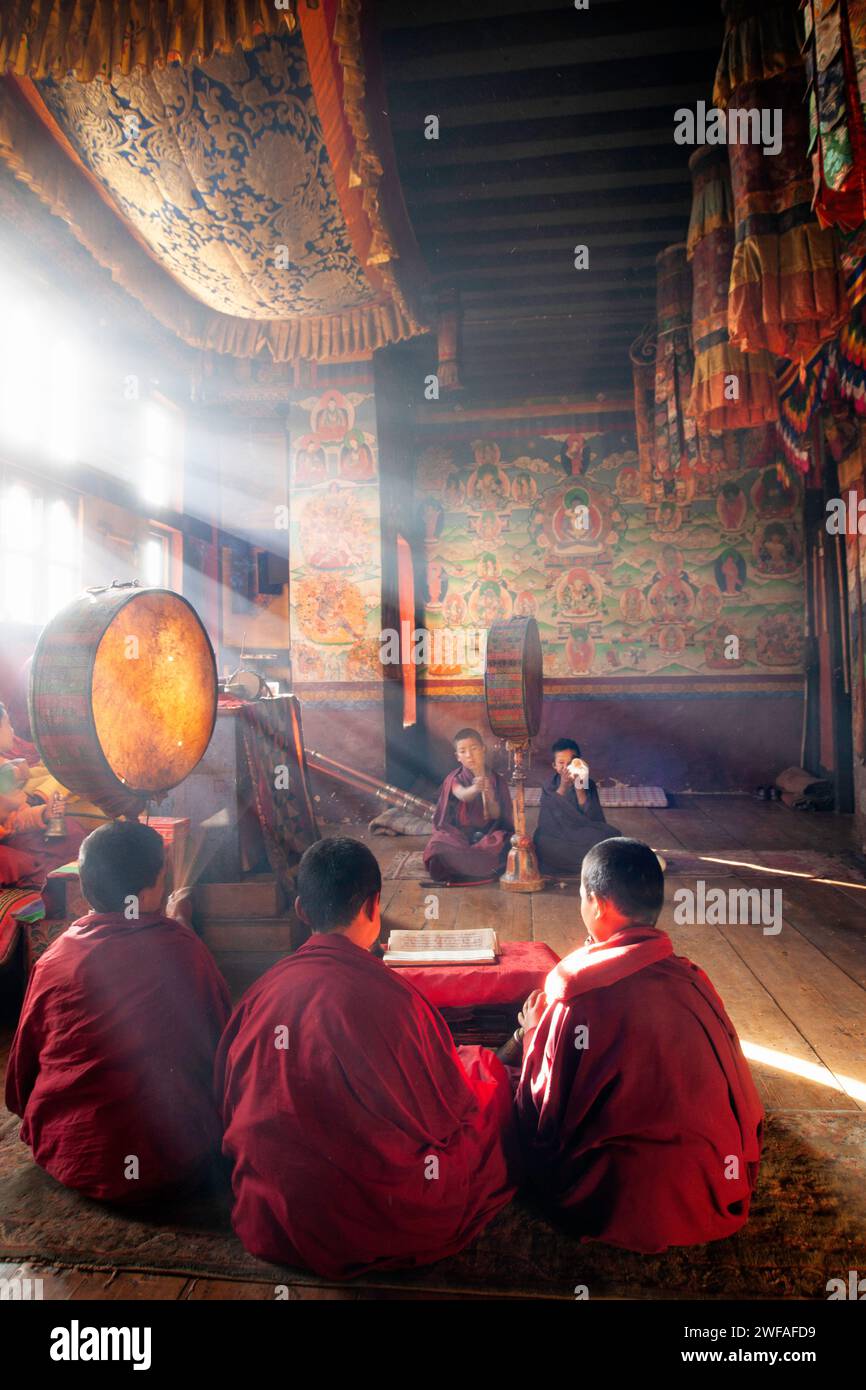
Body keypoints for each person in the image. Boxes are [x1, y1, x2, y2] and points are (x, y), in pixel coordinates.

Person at [216, 837, 517, 1279]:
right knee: (487, 1081)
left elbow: (229, 1095)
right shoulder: (395, 999)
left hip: (273, 1213)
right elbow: (447, 1113)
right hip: (377, 1219)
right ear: (375, 905)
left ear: (302, 911)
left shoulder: (262, 992)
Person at [514, 837, 764, 1251]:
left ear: (596, 904)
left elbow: (542, 1112)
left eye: (580, 895)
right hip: (715, 1187)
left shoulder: (577, 993)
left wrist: (534, 1035)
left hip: (613, 1201)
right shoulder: (693, 979)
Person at [5, 820, 230, 1202]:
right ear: (157, 884)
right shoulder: (185, 950)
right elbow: (225, 1048)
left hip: (71, 1152)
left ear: (87, 885)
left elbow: (21, 1074)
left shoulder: (55, 958)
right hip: (174, 1160)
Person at [0, 701, 89, 888]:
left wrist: (43, 814)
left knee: (72, 831)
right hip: (13, 838)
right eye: (7, 724)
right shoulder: (6, 773)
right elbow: (12, 823)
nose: (12, 730)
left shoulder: (7, 766)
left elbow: (16, 818)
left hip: (24, 819)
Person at [423, 728, 513, 884]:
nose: (469, 755)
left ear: (483, 749)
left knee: (508, 844)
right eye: (463, 751)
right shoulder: (455, 778)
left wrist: (489, 794)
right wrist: (476, 788)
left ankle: (465, 870)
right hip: (459, 835)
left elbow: (497, 814)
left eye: (474, 749)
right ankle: (479, 870)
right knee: (437, 847)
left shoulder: (497, 781)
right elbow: (462, 794)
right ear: (457, 756)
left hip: (488, 834)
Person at [533, 738, 619, 875]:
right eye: (561, 763)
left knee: (610, 838)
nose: (566, 767)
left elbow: (594, 818)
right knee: (541, 842)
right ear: (554, 765)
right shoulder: (548, 785)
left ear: (579, 763)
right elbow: (546, 823)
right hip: (556, 836)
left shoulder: (587, 783)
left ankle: (585, 862)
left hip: (581, 832)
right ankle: (592, 863)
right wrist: (563, 787)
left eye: (571, 763)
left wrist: (580, 789)